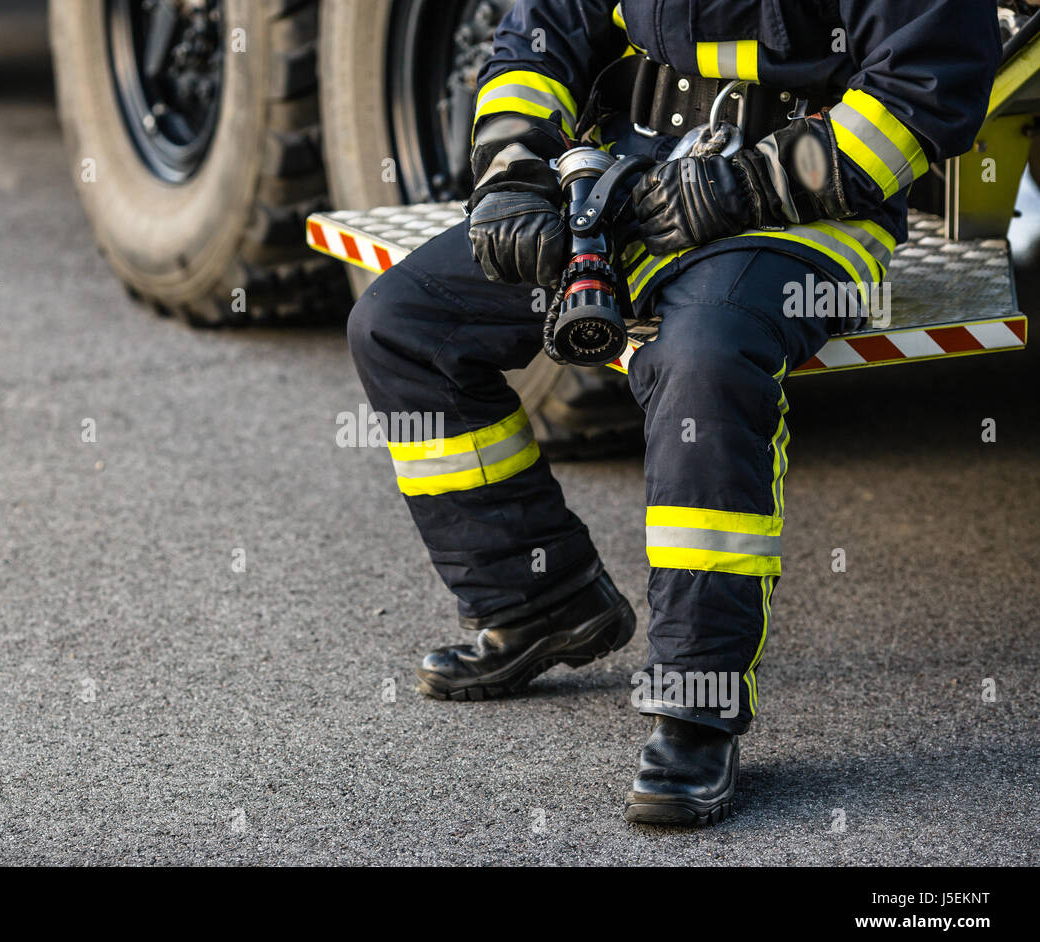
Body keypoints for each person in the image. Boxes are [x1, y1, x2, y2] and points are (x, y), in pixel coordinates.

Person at [347, 0, 1000, 824]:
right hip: (632, 180)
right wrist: (514, 176)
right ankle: (540, 602)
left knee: (703, 361)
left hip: (807, 209)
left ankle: (697, 710)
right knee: (402, 325)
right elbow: (536, 37)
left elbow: (928, 88)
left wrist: (748, 184)